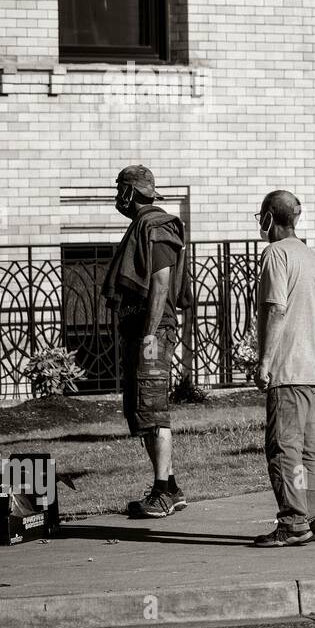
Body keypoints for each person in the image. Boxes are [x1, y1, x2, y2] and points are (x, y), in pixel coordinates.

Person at [101, 165, 192, 519]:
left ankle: (162, 492)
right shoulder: (142, 226)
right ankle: (169, 486)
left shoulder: (157, 226)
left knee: (153, 409)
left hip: (153, 335)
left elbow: (161, 282)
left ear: (129, 193)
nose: (116, 198)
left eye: (119, 190)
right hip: (140, 332)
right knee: (141, 410)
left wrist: (150, 335)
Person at [252, 190, 315, 547]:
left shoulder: (276, 254)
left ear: (271, 216)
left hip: (290, 369)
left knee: (283, 448)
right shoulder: (313, 257)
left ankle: (292, 523)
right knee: (307, 450)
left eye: (260, 216)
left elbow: (275, 309)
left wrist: (265, 362)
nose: (260, 223)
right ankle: (312, 519)